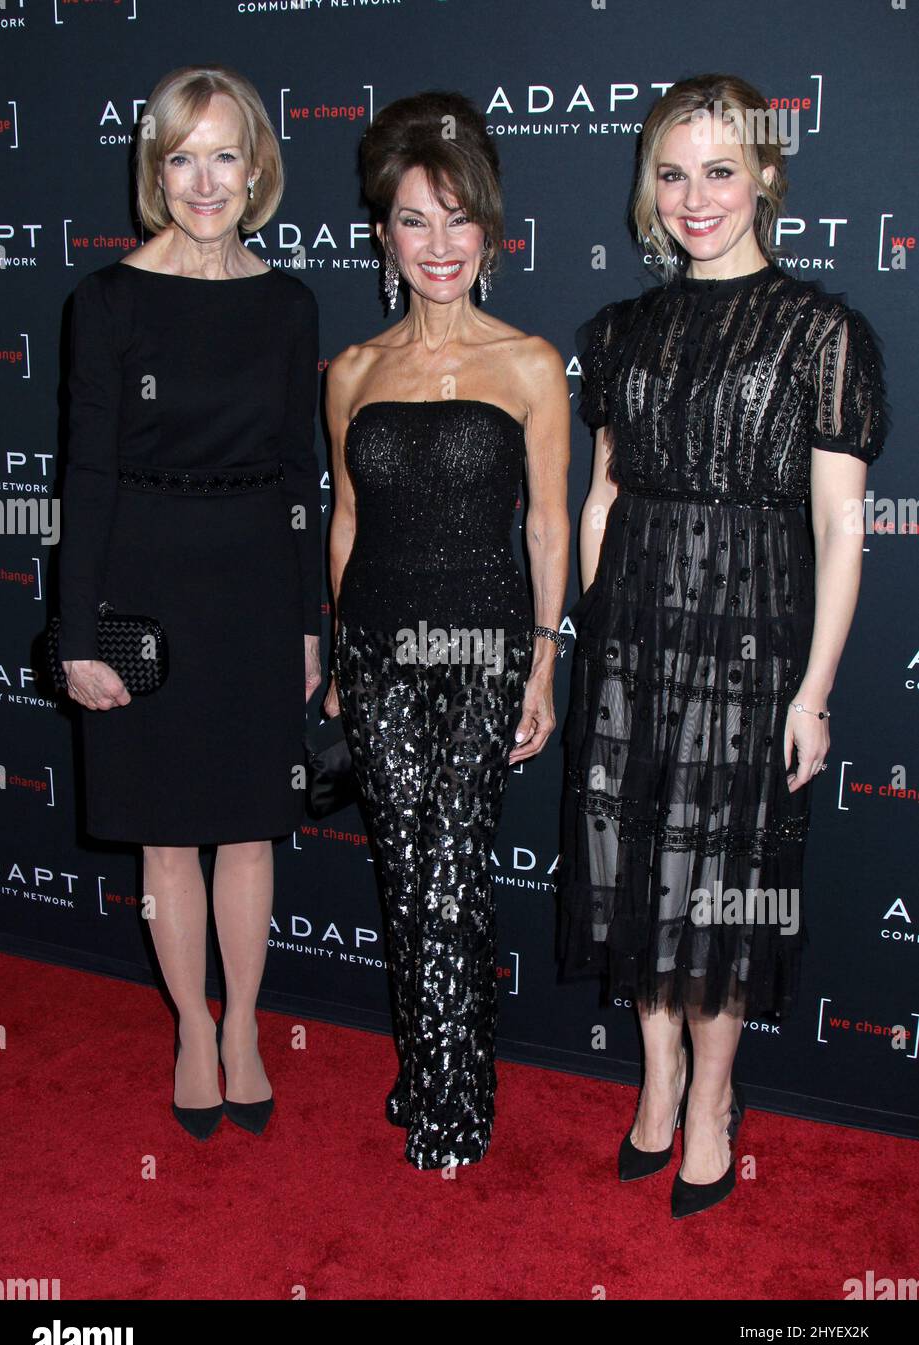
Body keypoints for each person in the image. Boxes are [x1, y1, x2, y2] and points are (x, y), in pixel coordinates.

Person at [558, 74, 887, 1216]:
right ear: (647, 187)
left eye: (719, 170)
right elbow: (600, 501)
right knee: (639, 874)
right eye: (671, 171)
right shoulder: (619, 332)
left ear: (762, 179)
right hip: (631, 642)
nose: (695, 197)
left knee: (721, 888)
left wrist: (815, 690)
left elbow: (841, 525)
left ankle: (711, 1101)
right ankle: (655, 1085)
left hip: (749, 648)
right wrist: (594, 634)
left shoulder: (820, 332)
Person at [57, 65, 322, 1141]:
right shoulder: (109, 301)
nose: (203, 180)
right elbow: (85, 476)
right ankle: (190, 1029)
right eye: (180, 156)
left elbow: (303, 474)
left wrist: (312, 625)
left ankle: (248, 1021)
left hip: (257, 586)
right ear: (153, 170)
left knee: (251, 831)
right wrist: (78, 633)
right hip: (146, 589)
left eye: (223, 154)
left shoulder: (289, 301)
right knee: (167, 835)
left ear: (257, 165)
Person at [324, 91, 570, 1169]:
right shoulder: (352, 372)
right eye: (415, 221)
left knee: (455, 860)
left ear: (489, 234)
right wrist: (338, 656)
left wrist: (545, 659)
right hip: (375, 642)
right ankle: (432, 1061)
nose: (439, 245)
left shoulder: (528, 364)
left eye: (458, 221)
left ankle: (450, 1096)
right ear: (383, 234)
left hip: (481, 645)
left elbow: (551, 524)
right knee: (403, 867)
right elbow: (344, 520)